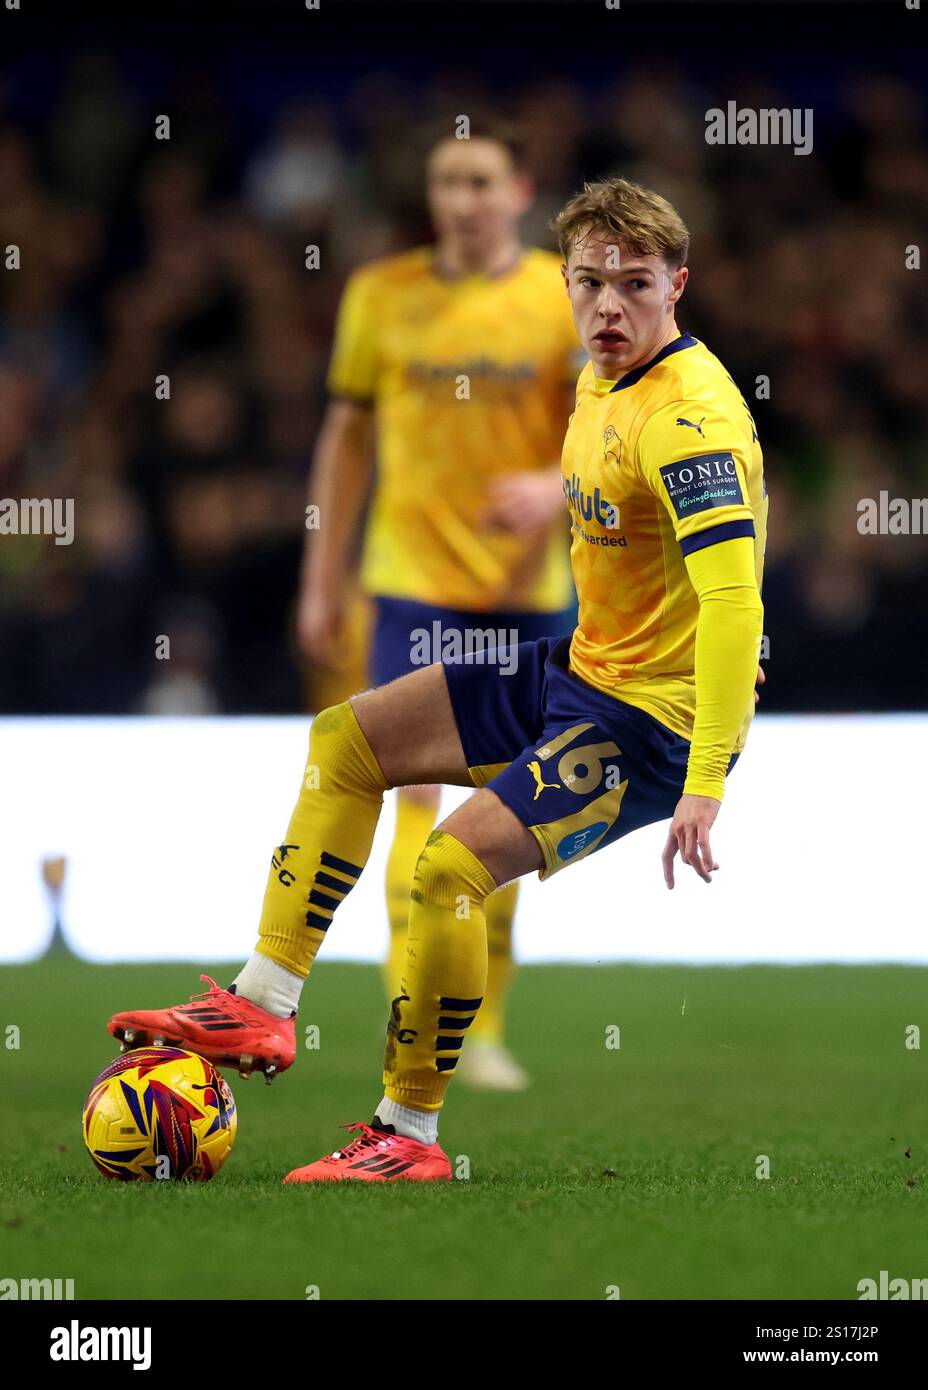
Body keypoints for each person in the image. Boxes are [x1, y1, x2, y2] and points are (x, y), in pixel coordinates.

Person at [108, 176, 767, 1184]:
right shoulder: (601, 373)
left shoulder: (690, 423)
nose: (606, 306)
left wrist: (706, 779)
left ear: (677, 285)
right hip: (576, 670)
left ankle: (405, 1137)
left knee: (450, 872)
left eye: (634, 284)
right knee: (348, 738)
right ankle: (262, 1001)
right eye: (589, 281)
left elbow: (734, 606)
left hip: (650, 725)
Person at [295, 122, 579, 1089]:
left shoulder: (558, 295)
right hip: (412, 581)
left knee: (509, 808)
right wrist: (320, 575)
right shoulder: (381, 295)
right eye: (447, 181)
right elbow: (344, 438)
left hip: (527, 588)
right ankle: (412, 1009)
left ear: (519, 188)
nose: (463, 198)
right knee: (405, 785)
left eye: (481, 180)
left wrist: (556, 484)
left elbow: (608, 422)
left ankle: (484, 1027)